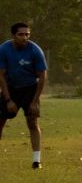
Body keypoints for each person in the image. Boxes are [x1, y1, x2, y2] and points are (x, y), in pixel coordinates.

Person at [0, 21, 48, 169]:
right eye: (21, 34)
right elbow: (1, 76)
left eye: (27, 34)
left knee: (32, 123)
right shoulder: (3, 49)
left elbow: (42, 77)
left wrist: (34, 102)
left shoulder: (35, 50)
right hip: (11, 88)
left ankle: (36, 161)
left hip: (30, 89)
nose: (25, 37)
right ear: (13, 35)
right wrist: (8, 100)